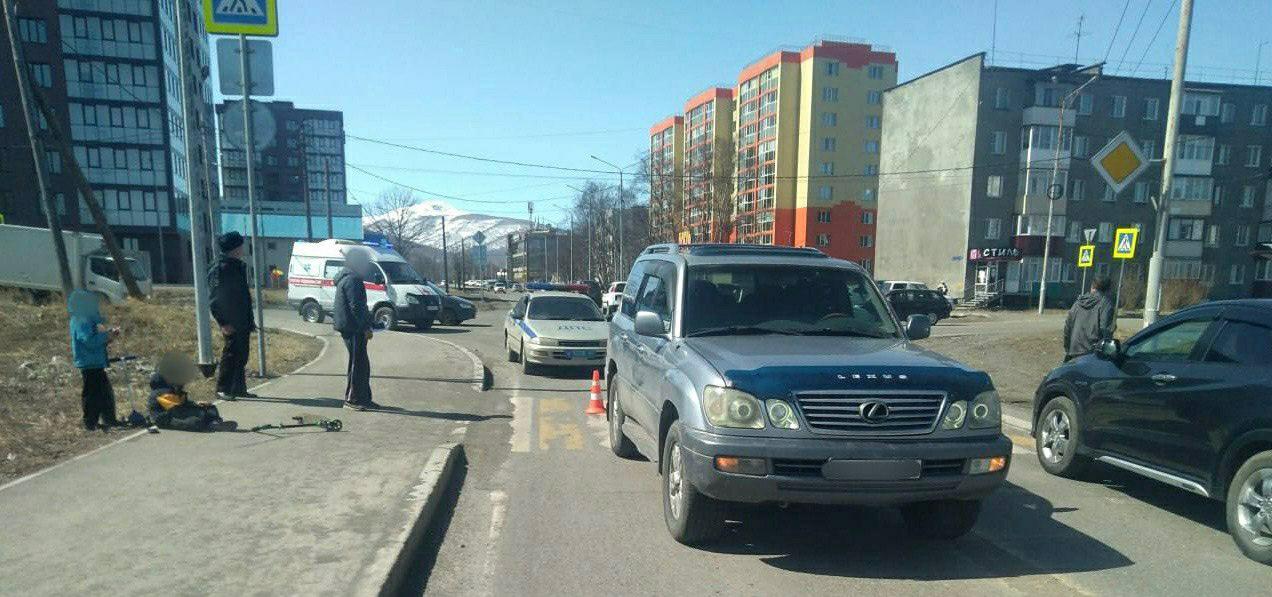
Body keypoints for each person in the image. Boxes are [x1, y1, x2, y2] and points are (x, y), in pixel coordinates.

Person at [208, 231, 256, 400]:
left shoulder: (237, 266)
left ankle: (238, 388)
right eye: (240, 245)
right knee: (230, 354)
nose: (242, 248)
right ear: (234, 248)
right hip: (230, 320)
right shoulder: (220, 268)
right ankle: (223, 388)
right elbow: (214, 299)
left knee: (242, 355)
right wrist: (222, 322)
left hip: (242, 319)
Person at [68, 290, 120, 430]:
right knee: (91, 394)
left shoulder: (90, 318)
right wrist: (106, 336)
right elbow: (88, 341)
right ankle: (90, 423)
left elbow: (96, 339)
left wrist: (109, 336)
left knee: (104, 392)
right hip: (88, 362)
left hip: (96, 361)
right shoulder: (81, 319)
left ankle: (109, 419)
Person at [333, 247, 377, 411]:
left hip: (353, 327)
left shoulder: (349, 278)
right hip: (353, 328)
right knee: (357, 364)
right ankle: (352, 400)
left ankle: (364, 398)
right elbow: (356, 307)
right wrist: (366, 327)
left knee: (362, 364)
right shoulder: (352, 280)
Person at [147, 353, 235, 432]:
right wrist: (196, 409)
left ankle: (214, 422)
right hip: (166, 419)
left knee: (210, 408)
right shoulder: (160, 393)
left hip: (178, 412)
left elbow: (182, 403)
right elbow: (176, 409)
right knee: (196, 420)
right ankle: (210, 423)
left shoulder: (173, 388)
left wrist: (196, 404)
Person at [1064, 276, 1116, 361]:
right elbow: (1106, 331)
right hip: (1093, 355)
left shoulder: (1077, 303)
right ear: (1107, 290)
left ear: (1092, 287)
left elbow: (1067, 328)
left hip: (1073, 353)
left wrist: (1068, 349)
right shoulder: (1105, 304)